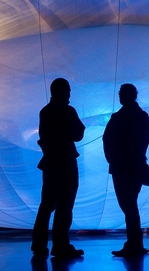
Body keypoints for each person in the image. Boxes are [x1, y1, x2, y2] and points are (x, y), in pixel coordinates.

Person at [31, 78, 86, 258]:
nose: (70, 93)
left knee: (46, 205)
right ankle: (60, 246)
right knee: (65, 205)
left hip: (50, 163)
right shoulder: (68, 111)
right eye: (68, 90)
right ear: (61, 91)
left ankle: (38, 245)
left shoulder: (45, 112)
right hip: (66, 163)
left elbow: (44, 136)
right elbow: (78, 135)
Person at [102, 83, 149, 257]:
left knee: (128, 205)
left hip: (121, 167)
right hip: (136, 166)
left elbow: (107, 141)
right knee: (131, 204)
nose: (119, 96)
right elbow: (145, 141)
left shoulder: (117, 118)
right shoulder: (142, 116)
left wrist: (113, 160)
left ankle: (134, 244)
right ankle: (135, 243)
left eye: (121, 93)